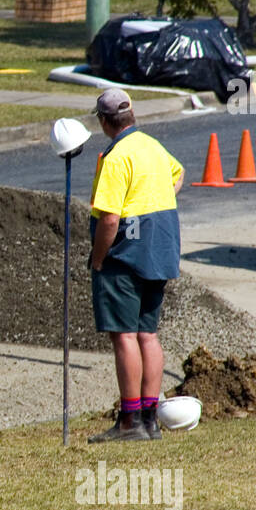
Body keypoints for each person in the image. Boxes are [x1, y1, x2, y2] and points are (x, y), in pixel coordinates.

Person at [87, 89, 184, 442]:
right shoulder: (151, 146)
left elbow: (110, 220)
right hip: (159, 250)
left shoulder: (115, 157)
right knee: (148, 334)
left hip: (126, 255)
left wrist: (98, 259)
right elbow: (178, 174)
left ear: (103, 121)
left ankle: (129, 422)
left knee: (125, 335)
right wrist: (153, 204)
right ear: (131, 115)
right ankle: (150, 419)